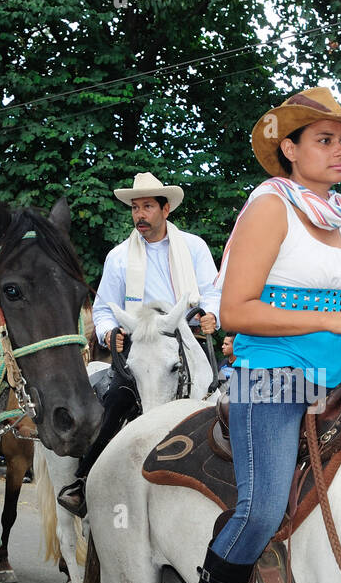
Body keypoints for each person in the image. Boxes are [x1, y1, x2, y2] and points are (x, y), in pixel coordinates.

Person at [173, 86, 341, 583]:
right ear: (289, 149)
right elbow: (236, 311)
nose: (340, 149)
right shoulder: (270, 207)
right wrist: (334, 321)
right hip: (272, 375)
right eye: (325, 140)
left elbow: (328, 300)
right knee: (262, 508)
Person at [57, 172, 222, 515]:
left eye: (147, 206)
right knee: (117, 399)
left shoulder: (193, 247)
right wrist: (107, 332)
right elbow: (103, 308)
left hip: (185, 336)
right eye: (135, 208)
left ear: (165, 209)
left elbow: (212, 292)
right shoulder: (119, 256)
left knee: (221, 397)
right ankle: (83, 482)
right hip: (140, 343)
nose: (139, 215)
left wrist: (213, 315)